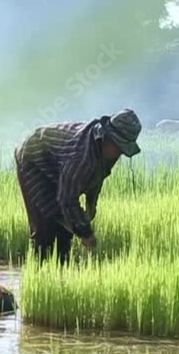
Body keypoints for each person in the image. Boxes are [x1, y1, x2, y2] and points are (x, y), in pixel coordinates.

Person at [14, 108, 142, 264]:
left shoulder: (108, 152)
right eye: (118, 147)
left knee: (66, 229)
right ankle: (39, 274)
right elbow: (67, 198)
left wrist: (91, 203)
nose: (119, 153)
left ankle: (62, 272)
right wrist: (86, 233)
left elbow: (98, 175)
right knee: (45, 229)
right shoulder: (80, 156)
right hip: (33, 160)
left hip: (58, 163)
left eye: (123, 149)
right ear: (106, 137)